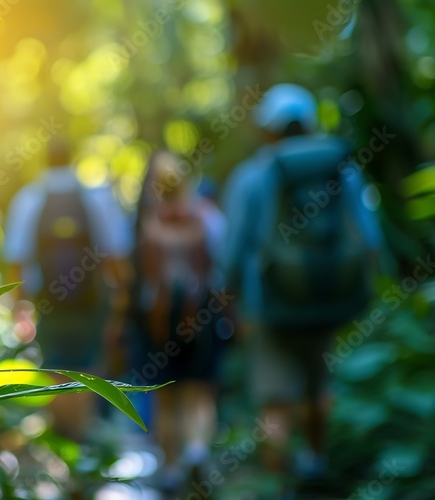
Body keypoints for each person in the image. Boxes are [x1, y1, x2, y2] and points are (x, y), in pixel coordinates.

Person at [221, 83, 383, 480]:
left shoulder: (252, 175)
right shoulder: (339, 169)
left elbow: (234, 248)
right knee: (318, 388)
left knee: (274, 400)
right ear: (310, 123)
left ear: (269, 129)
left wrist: (227, 299)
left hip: (268, 303)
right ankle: (315, 464)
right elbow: (370, 240)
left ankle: (280, 483)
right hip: (326, 298)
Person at [2, 136, 132, 442]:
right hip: (90, 300)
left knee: (54, 368)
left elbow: (16, 259)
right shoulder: (95, 197)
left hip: (47, 302)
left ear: (45, 160)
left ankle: (64, 440)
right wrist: (122, 301)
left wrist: (18, 307)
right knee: (88, 366)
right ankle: (82, 436)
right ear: (72, 158)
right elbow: (115, 255)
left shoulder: (28, 199)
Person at [129, 150, 228, 491]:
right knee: (200, 393)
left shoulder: (144, 221)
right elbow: (223, 266)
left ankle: (170, 469)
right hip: (202, 317)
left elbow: (130, 273)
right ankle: (197, 451)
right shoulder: (207, 216)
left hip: (156, 322)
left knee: (165, 397)